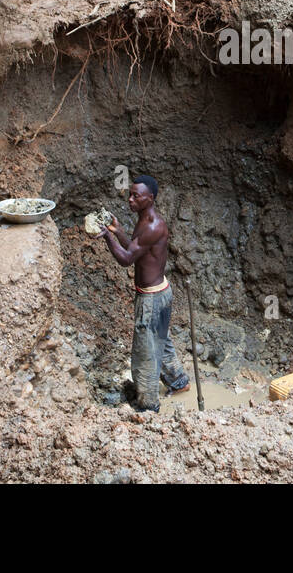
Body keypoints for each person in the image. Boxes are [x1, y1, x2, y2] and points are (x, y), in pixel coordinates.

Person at [99, 174, 190, 412]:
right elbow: (136, 247)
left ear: (150, 198)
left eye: (135, 196)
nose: (130, 199)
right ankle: (178, 381)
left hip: (150, 299)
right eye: (129, 194)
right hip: (161, 292)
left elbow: (127, 259)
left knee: (145, 353)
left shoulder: (151, 226)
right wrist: (118, 231)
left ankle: (147, 406)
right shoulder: (146, 219)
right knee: (161, 340)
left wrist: (108, 237)